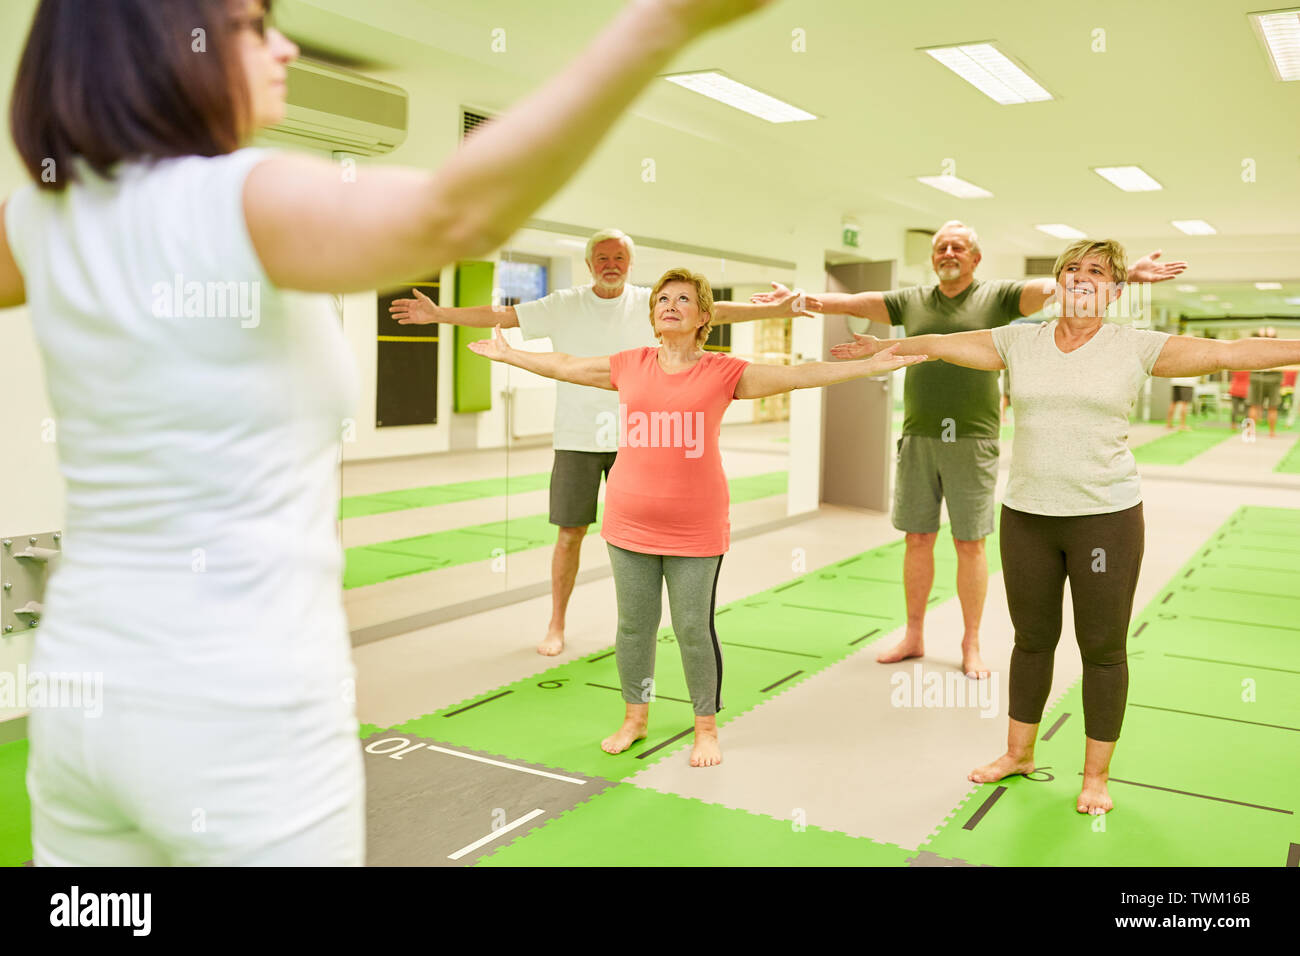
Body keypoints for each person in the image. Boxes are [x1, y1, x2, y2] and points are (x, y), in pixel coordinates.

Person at [2, 0, 774, 866]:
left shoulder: (42, 212)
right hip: (234, 705)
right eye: (255, 23)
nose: (285, 43)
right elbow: (457, 215)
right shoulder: (235, 195)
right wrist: (661, 24)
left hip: (77, 693)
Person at [831, 238, 1300, 814]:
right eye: (1071, 269)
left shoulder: (1137, 346)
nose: (1081, 278)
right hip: (1027, 515)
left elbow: (1231, 353)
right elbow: (941, 343)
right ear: (1057, 283)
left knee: (1102, 649)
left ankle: (1096, 776)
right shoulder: (1019, 341)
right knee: (1031, 642)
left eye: (1096, 272)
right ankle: (1018, 753)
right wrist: (888, 346)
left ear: (1116, 290)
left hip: (1105, 519)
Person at [469, 268, 924, 767]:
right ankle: (634, 717)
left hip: (696, 526)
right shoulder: (629, 364)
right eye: (662, 298)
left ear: (703, 317)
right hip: (628, 523)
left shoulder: (723, 372)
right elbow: (564, 364)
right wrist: (512, 354)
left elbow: (800, 376)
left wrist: (871, 366)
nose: (669, 305)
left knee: (691, 626)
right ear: (653, 315)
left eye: (683, 299)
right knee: (634, 628)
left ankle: (705, 727)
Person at [761, 221, 1186, 680]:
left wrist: (1131, 277)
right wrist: (800, 300)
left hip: (974, 437)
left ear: (975, 258)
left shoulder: (998, 296)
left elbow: (1054, 286)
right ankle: (914, 633)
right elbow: (847, 301)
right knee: (917, 538)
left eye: (958, 246)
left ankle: (971, 644)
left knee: (969, 542)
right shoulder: (912, 300)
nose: (948, 252)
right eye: (941, 246)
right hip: (919, 434)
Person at [391, 230, 809, 657]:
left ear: (630, 263)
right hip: (577, 438)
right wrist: (440, 314)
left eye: (620, 257)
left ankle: (632, 629)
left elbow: (715, 310)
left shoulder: (651, 303)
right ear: (589, 264)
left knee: (635, 544)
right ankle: (556, 623)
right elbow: (503, 315)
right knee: (570, 535)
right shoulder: (564, 304)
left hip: (643, 440)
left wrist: (778, 308)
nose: (611, 264)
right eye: (603, 257)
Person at [1248, 328, 1284, 437]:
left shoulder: (1255, 348)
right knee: (1272, 407)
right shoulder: (1279, 348)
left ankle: (1251, 431)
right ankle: (1272, 432)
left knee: (1254, 406)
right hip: (1271, 378)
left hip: (1258, 377)